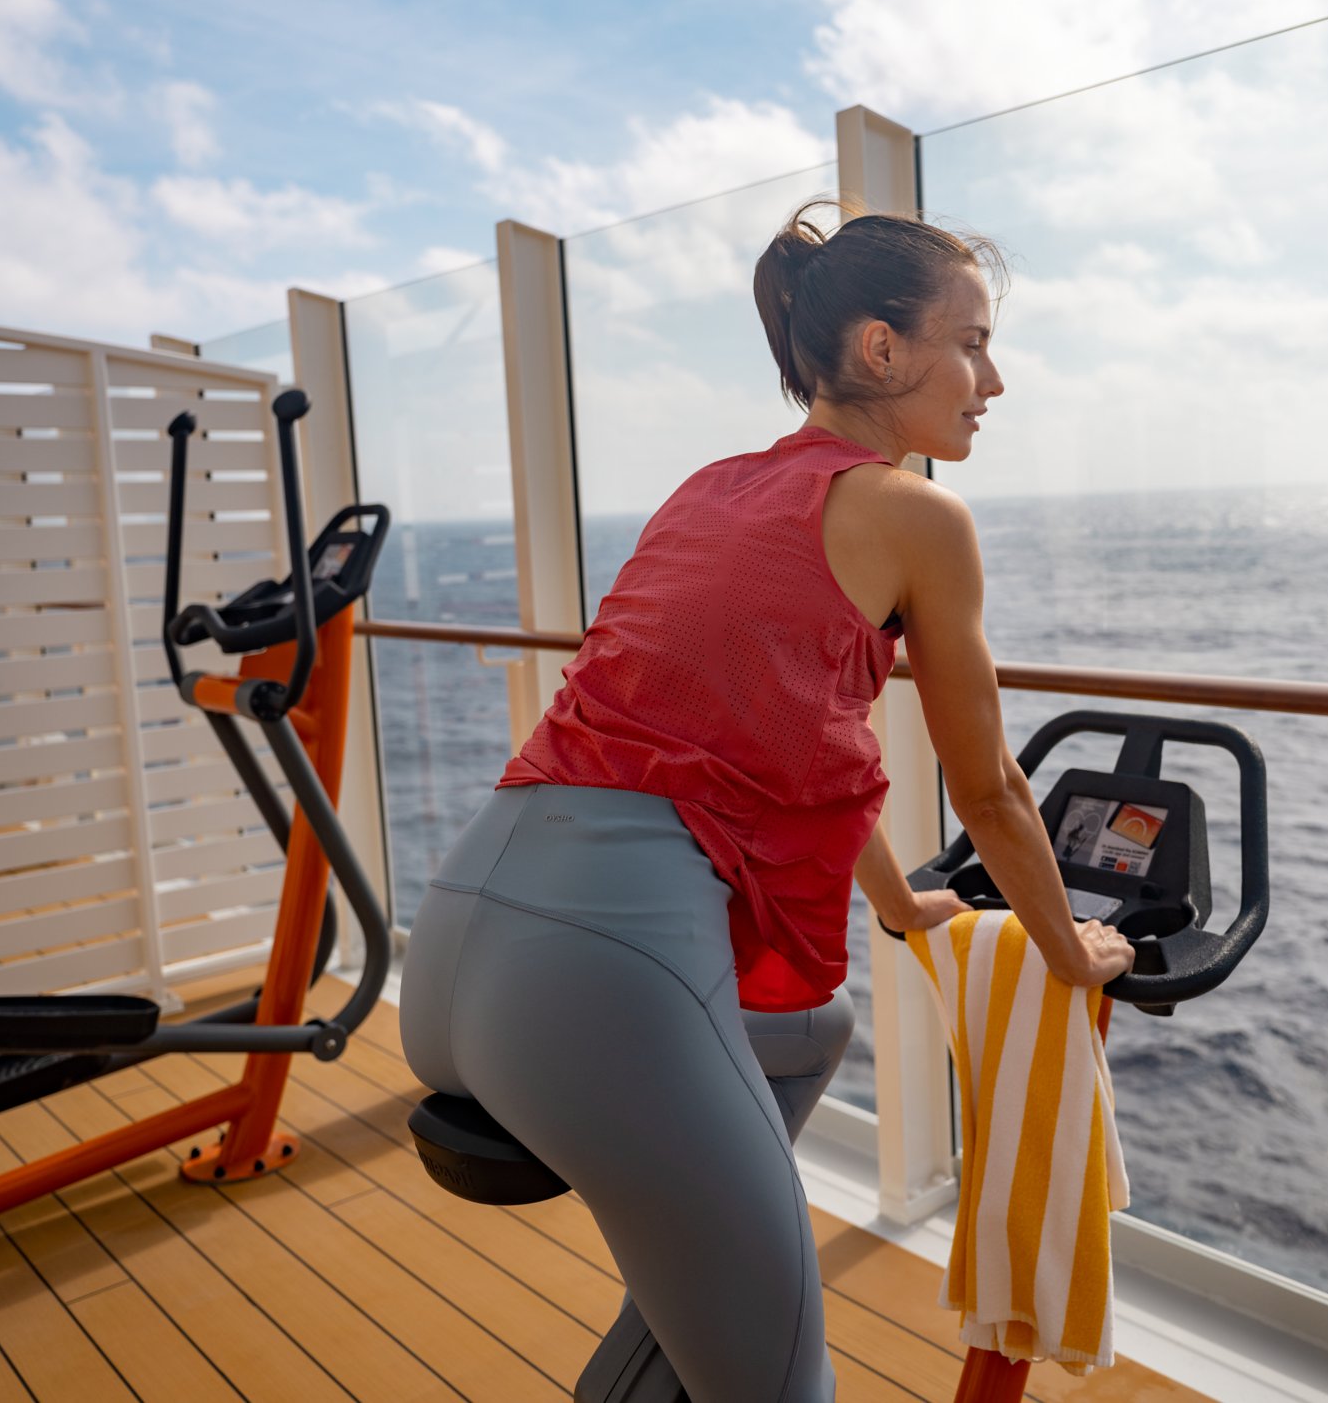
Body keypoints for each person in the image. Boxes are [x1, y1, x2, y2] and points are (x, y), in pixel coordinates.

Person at [398, 196, 1136, 1402]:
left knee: (810, 1035)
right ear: (882, 350)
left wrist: (902, 908)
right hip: (595, 979)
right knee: (785, 1389)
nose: (991, 379)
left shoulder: (712, 489)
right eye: (971, 342)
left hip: (458, 944)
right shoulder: (916, 514)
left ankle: (683, 1315)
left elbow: (773, 748)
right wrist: (1068, 952)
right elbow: (992, 789)